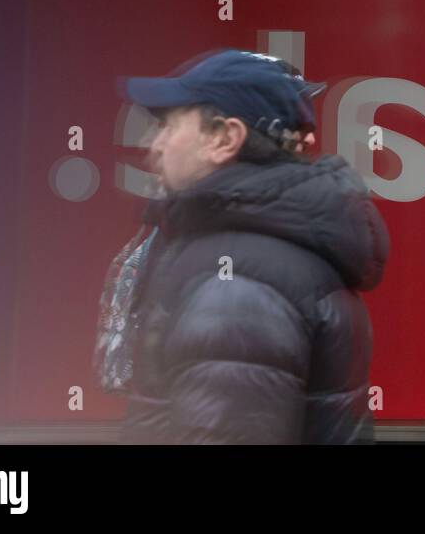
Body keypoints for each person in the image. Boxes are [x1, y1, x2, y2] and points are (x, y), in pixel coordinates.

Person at [93, 48, 390, 443]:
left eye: (168, 125)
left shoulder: (235, 285)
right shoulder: (260, 254)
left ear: (225, 137)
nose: (155, 145)